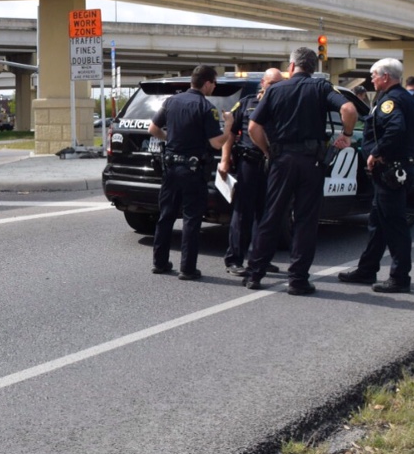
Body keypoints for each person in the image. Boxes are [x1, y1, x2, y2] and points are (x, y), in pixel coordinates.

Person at [242, 47, 357, 295]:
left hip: (281, 160)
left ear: (291, 66)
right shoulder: (321, 88)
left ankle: (254, 274)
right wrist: (346, 135)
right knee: (305, 220)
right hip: (311, 162)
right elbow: (348, 109)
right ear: (313, 68)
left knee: (271, 216)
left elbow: (253, 127)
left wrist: (267, 151)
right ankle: (298, 280)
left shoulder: (274, 89)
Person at [338, 58, 414, 293]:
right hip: (394, 170)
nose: (372, 79)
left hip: (390, 173)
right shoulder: (406, 98)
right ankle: (367, 269)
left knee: (394, 225)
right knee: (377, 223)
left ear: (385, 77)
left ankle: (399, 277)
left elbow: (396, 129)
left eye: (374, 75)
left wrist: (377, 152)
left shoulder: (392, 101)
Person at [149, 64, 232, 281]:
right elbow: (216, 143)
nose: (214, 87)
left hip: (170, 168)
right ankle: (187, 268)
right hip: (192, 171)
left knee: (166, 215)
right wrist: (229, 127)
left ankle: (159, 262)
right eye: (214, 83)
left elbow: (153, 129)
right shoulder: (206, 108)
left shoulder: (171, 101)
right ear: (206, 83)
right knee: (191, 219)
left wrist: (171, 139)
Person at [223, 67, 284, 276]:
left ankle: (261, 259)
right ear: (263, 84)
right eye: (271, 84)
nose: (275, 88)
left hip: (273, 166)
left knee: (267, 215)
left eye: (279, 84)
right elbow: (230, 134)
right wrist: (224, 161)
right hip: (249, 162)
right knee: (243, 213)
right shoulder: (248, 102)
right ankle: (234, 260)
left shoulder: (284, 105)